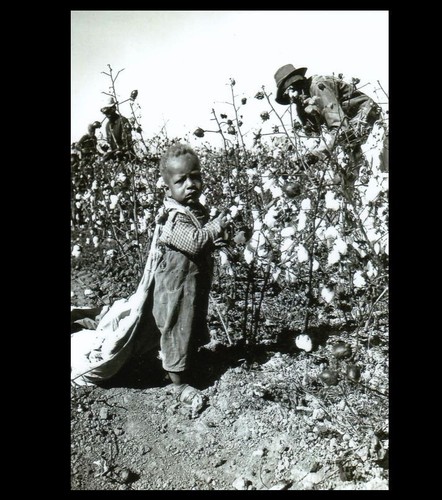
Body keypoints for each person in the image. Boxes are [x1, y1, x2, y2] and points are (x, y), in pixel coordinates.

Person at [151, 143, 230, 408]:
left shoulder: (194, 210)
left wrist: (218, 237)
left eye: (195, 176)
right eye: (181, 180)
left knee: (192, 320)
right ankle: (178, 383)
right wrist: (217, 226)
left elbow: (203, 241)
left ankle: (189, 364)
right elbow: (196, 242)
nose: (190, 184)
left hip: (191, 282)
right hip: (175, 286)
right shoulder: (174, 217)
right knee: (176, 326)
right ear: (168, 188)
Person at [273, 64, 382, 181]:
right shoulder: (304, 100)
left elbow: (340, 128)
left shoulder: (317, 86)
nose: (291, 97)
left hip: (366, 117)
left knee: (370, 170)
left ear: (293, 87)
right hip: (350, 129)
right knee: (350, 177)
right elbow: (313, 134)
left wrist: (313, 156)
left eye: (290, 91)